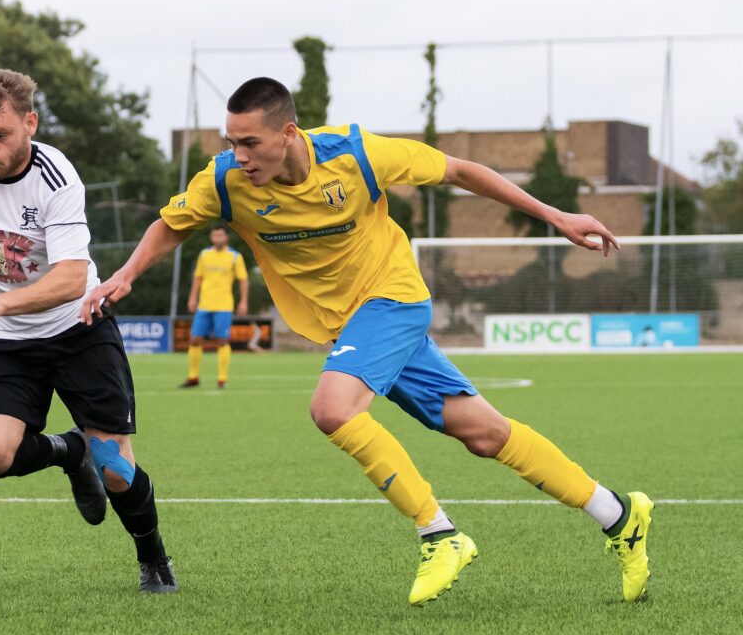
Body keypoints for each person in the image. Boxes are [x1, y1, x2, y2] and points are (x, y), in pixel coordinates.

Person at [84, 77, 652, 606]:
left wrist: (555, 216)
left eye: (251, 142)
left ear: (289, 133)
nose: (241, 155)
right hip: (351, 326)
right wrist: (128, 273)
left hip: (393, 298)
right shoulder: (225, 180)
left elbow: (458, 171)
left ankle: (440, 534)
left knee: (332, 409)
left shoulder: (356, 155)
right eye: (231, 142)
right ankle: (620, 516)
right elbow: (171, 223)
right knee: (485, 433)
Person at [0, 68, 176, 593]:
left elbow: (72, 279)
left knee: (116, 471)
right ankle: (67, 451)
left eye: (0, 135)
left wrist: (1, 301)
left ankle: (153, 557)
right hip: (9, 340)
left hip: (77, 327)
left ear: (29, 123)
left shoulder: (56, 179)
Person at [181, 224, 248, 389]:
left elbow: (243, 279)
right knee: (195, 339)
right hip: (204, 305)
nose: (217, 238)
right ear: (211, 238)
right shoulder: (204, 255)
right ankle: (193, 377)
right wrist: (192, 298)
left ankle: (222, 379)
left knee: (222, 341)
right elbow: (198, 277)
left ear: (226, 237)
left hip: (224, 306)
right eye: (214, 236)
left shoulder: (234, 256)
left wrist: (243, 301)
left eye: (220, 236)